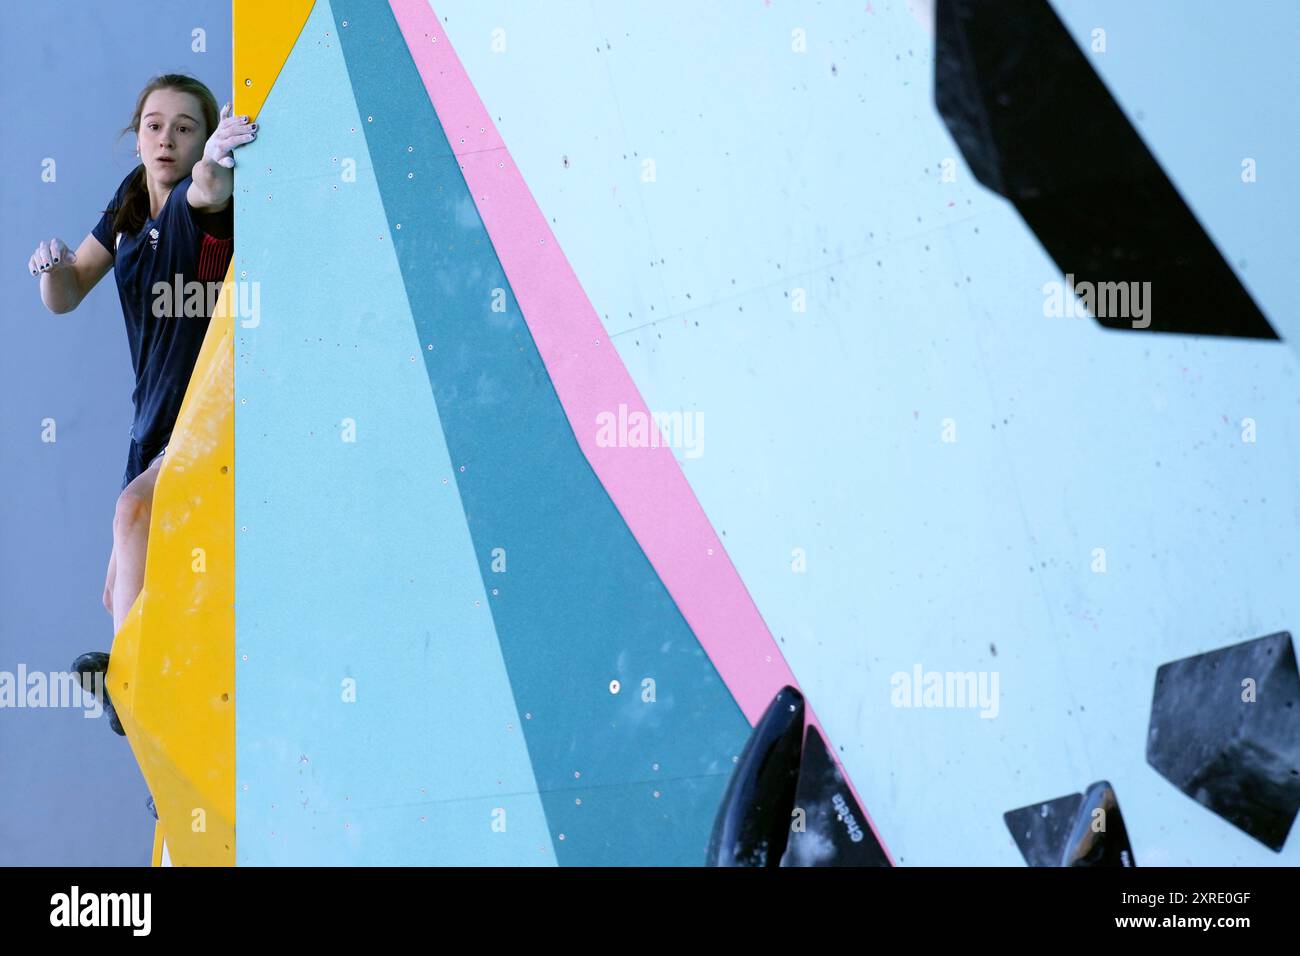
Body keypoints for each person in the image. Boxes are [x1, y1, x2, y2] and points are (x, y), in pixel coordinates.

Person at [28, 73, 256, 734]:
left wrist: (215, 157)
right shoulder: (132, 203)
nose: (167, 138)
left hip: (202, 414)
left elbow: (213, 188)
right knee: (118, 589)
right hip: (149, 420)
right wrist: (50, 269)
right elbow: (68, 293)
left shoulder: (197, 201)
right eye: (155, 125)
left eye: (186, 128)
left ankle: (136, 687)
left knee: (131, 513)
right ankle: (165, 733)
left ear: (199, 138)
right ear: (138, 136)